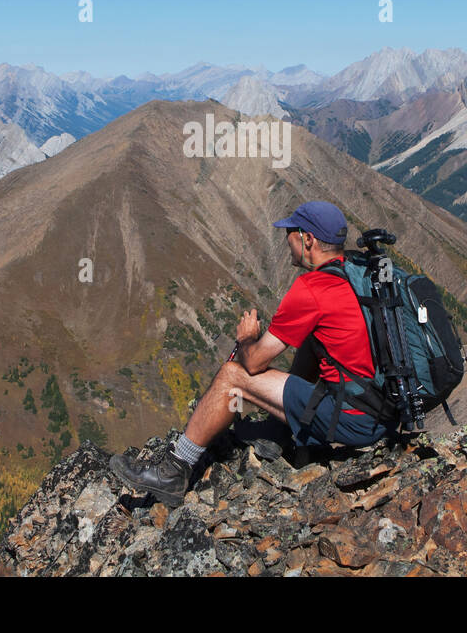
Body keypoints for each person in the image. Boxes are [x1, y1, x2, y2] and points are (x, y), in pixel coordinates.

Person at [109, 201, 397, 505]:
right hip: (384, 412)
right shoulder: (359, 275)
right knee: (314, 340)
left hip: (355, 421)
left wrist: (247, 339)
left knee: (232, 376)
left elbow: (255, 362)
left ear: (308, 239)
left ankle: (174, 469)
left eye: (290, 232)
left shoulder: (312, 288)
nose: (285, 239)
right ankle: (280, 432)